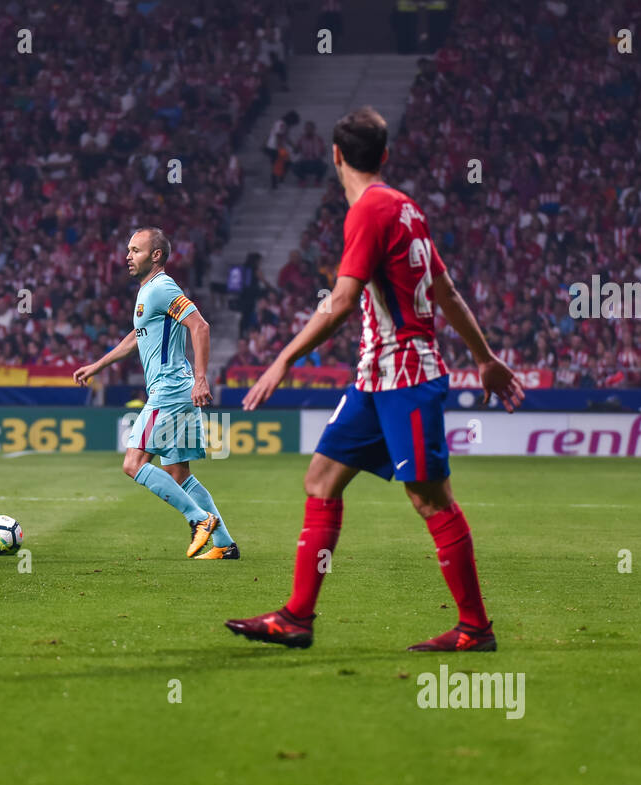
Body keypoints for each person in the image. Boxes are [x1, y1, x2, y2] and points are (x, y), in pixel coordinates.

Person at [225, 107, 524, 650]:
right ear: (384, 155)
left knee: (430, 500)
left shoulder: (367, 211)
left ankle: (475, 627)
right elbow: (447, 290)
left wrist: (283, 360)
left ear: (336, 156)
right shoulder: (407, 208)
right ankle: (296, 617)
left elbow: (339, 303)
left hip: (406, 378)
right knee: (320, 480)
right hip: (374, 380)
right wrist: (483, 357)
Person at [73, 227, 239, 559]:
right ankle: (224, 545)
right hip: (176, 390)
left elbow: (200, 326)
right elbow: (135, 338)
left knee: (133, 464)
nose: (127, 257)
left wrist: (202, 379)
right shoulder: (148, 291)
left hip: (169, 391)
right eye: (128, 250)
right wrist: (98, 366)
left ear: (156, 255)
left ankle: (199, 520)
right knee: (178, 473)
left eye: (135, 250)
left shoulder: (162, 287)